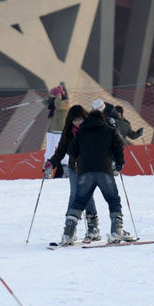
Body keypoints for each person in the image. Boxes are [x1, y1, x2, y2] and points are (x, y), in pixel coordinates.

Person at [58, 103, 136, 245]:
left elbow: (72, 151)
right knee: (113, 200)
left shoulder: (81, 131)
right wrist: (119, 162)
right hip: (104, 170)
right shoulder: (108, 130)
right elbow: (119, 146)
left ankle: (68, 233)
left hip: (85, 172)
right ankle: (116, 231)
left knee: (79, 200)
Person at [45, 103, 102, 241]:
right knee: (75, 194)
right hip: (73, 167)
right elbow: (61, 150)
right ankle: (70, 227)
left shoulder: (92, 129)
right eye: (74, 119)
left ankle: (92, 227)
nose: (77, 122)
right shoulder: (69, 132)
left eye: (80, 119)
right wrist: (51, 162)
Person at [44, 86, 71, 178]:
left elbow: (58, 105)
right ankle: (47, 170)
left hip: (60, 132)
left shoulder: (65, 103)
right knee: (49, 152)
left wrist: (58, 94)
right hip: (50, 131)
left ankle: (66, 171)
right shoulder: (53, 103)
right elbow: (45, 102)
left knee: (62, 152)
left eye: (55, 95)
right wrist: (49, 97)